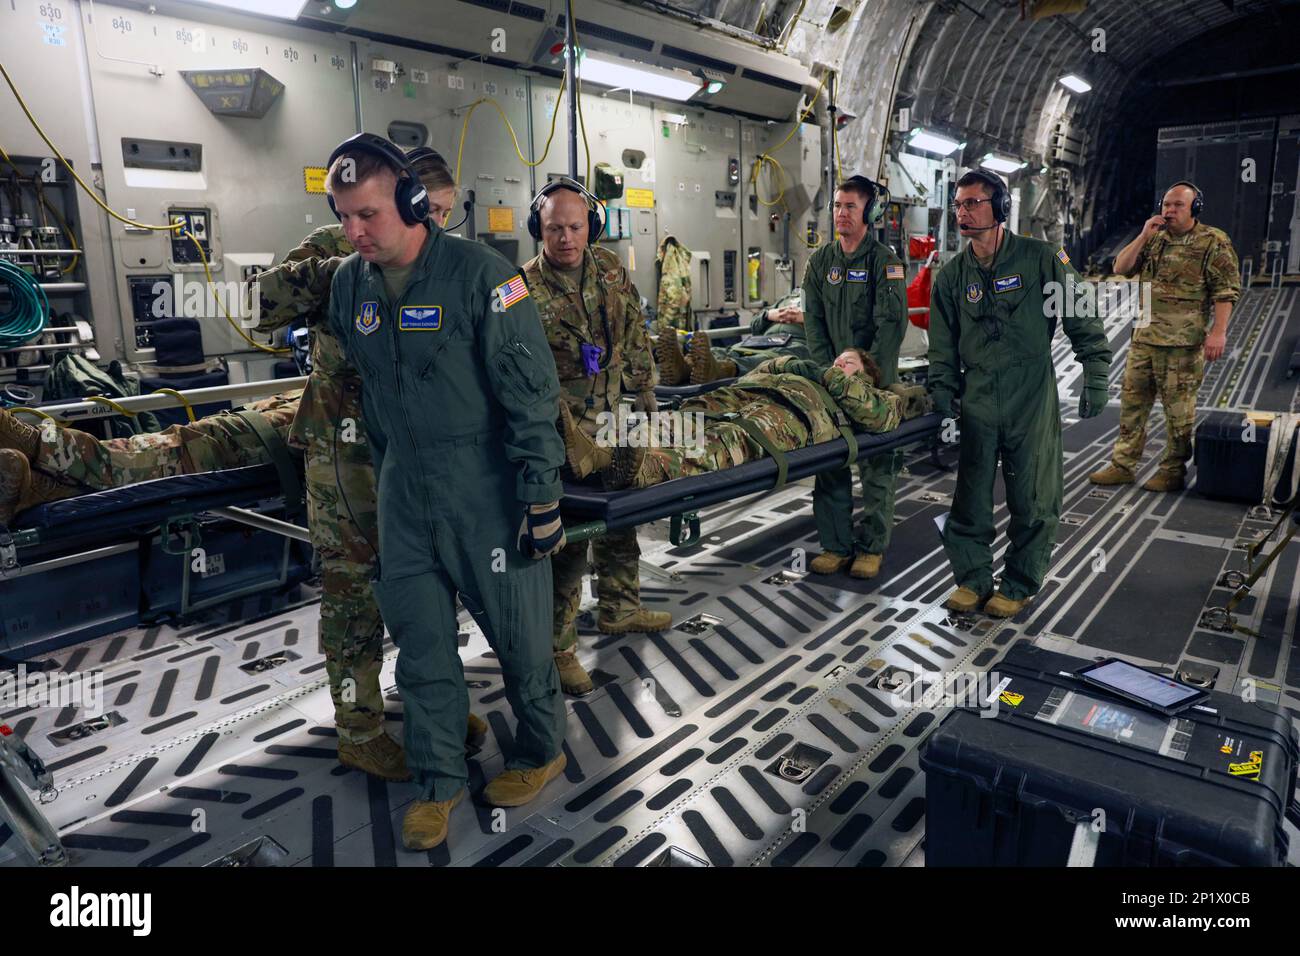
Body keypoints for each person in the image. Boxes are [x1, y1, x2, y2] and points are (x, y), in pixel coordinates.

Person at [325, 133, 569, 851]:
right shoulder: (350, 284)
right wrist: (382, 485)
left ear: (409, 202)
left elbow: (531, 395)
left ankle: (541, 750)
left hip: (483, 487)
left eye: (367, 214)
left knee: (520, 635)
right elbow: (369, 394)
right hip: (404, 489)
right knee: (423, 647)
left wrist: (541, 493)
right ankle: (438, 782)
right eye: (343, 216)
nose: (354, 231)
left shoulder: (485, 276)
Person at [250, 146, 481, 783]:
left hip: (414, 448)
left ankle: (434, 706)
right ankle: (359, 729)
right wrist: (354, 263)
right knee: (354, 595)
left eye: (443, 214)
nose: (434, 225)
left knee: (426, 585)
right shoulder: (340, 244)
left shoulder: (443, 262)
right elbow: (257, 305)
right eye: (427, 210)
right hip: (345, 455)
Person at [928, 169, 1111, 618]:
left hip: (1030, 394)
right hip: (977, 396)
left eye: (973, 203)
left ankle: (1019, 582)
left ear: (1000, 208)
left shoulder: (1042, 258)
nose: (963, 212)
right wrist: (943, 396)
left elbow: (1081, 312)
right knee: (970, 497)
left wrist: (1096, 373)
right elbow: (942, 346)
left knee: (1033, 494)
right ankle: (972, 579)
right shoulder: (951, 277)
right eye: (958, 204)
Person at [520, 178, 670, 697]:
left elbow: (634, 330)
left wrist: (645, 386)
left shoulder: (609, 268)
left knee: (621, 516)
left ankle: (619, 607)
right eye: (554, 228)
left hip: (613, 412)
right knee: (568, 541)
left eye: (575, 227)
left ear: (592, 226)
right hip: (560, 428)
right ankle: (559, 650)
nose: (566, 238)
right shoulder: (520, 289)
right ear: (538, 228)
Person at [561, 349, 927, 488]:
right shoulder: (809, 369)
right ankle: (595, 448)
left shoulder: (870, 393)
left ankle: (641, 468)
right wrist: (786, 363)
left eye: (848, 362)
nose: (838, 363)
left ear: (865, 374)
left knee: (723, 442)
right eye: (838, 359)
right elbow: (759, 372)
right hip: (751, 392)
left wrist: (831, 376)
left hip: (791, 416)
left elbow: (879, 417)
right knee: (684, 417)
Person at [1088, 181, 1240, 492]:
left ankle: (1172, 471)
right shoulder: (1154, 239)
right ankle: (1123, 465)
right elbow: (1121, 268)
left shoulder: (1213, 241)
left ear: (1195, 208)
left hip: (1182, 345)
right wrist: (1143, 235)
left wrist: (1218, 332)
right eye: (1166, 204)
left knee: (1178, 412)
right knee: (1132, 406)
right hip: (1144, 340)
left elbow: (1225, 291)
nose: (1170, 210)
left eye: (1178, 205)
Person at [801, 175, 908, 580]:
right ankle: (835, 545)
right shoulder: (820, 262)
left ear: (870, 212)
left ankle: (872, 547)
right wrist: (828, 371)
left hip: (873, 384)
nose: (841, 213)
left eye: (850, 206)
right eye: (837, 206)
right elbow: (813, 321)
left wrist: (864, 374)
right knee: (830, 462)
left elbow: (891, 326)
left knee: (877, 468)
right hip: (831, 379)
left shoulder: (885, 263)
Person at [0, 393, 301, 523]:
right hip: (279, 417)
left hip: (279, 436)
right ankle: (40, 488)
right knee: (184, 441)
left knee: (176, 450)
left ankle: (36, 447)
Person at [653, 298, 810, 385]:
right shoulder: (785, 300)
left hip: (796, 342)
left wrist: (808, 318)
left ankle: (721, 370)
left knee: (770, 359)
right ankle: (683, 368)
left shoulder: (819, 304)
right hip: (761, 340)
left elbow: (826, 333)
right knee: (723, 351)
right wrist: (768, 315)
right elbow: (754, 326)